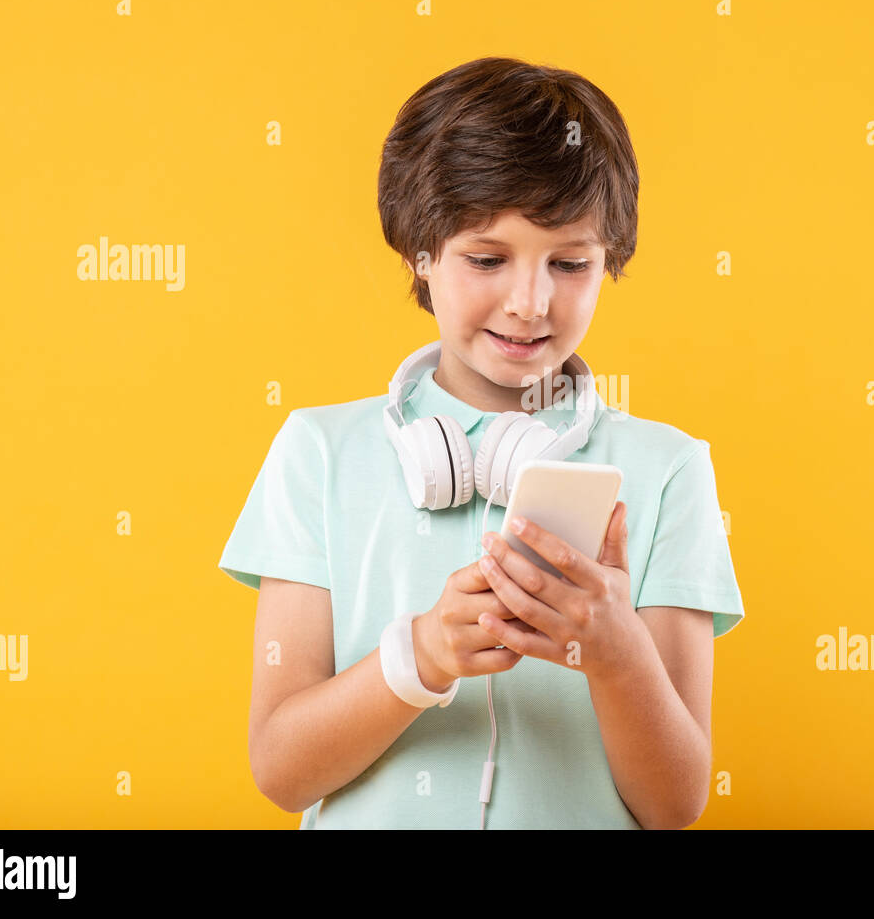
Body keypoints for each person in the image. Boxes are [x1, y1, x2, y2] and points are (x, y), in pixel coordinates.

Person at [218, 56, 744, 829]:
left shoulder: (668, 470)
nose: (530, 302)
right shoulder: (317, 453)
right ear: (419, 256)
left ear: (610, 263)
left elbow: (675, 805)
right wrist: (420, 656)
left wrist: (615, 649)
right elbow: (282, 768)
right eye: (487, 259)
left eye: (570, 263)